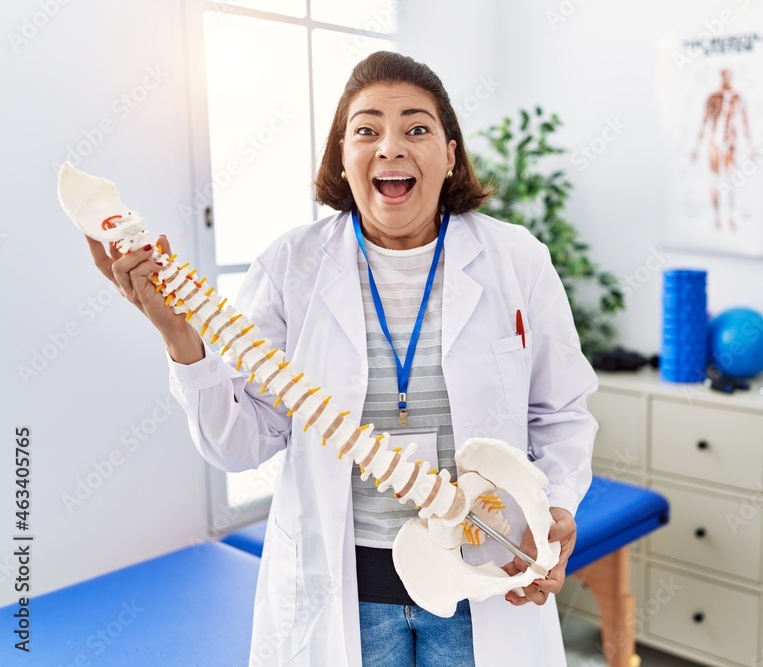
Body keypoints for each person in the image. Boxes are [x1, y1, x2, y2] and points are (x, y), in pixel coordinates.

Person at [85, 51, 598, 667]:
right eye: (366, 129)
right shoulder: (290, 266)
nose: (390, 147)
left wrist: (558, 509)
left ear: (450, 154)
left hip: (483, 582)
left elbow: (562, 415)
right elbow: (240, 444)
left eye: (416, 127)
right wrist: (180, 338)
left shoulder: (517, 259)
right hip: (345, 595)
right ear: (342, 154)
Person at [690, 67, 755, 230]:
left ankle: (732, 216)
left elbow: (744, 122)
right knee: (715, 179)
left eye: (729, 76)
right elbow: (704, 123)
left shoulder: (737, 98)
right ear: (721, 77)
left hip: (730, 142)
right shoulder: (713, 97)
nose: (726, 79)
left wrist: (750, 147)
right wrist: (696, 148)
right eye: (724, 76)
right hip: (714, 142)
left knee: (731, 179)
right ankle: (717, 217)